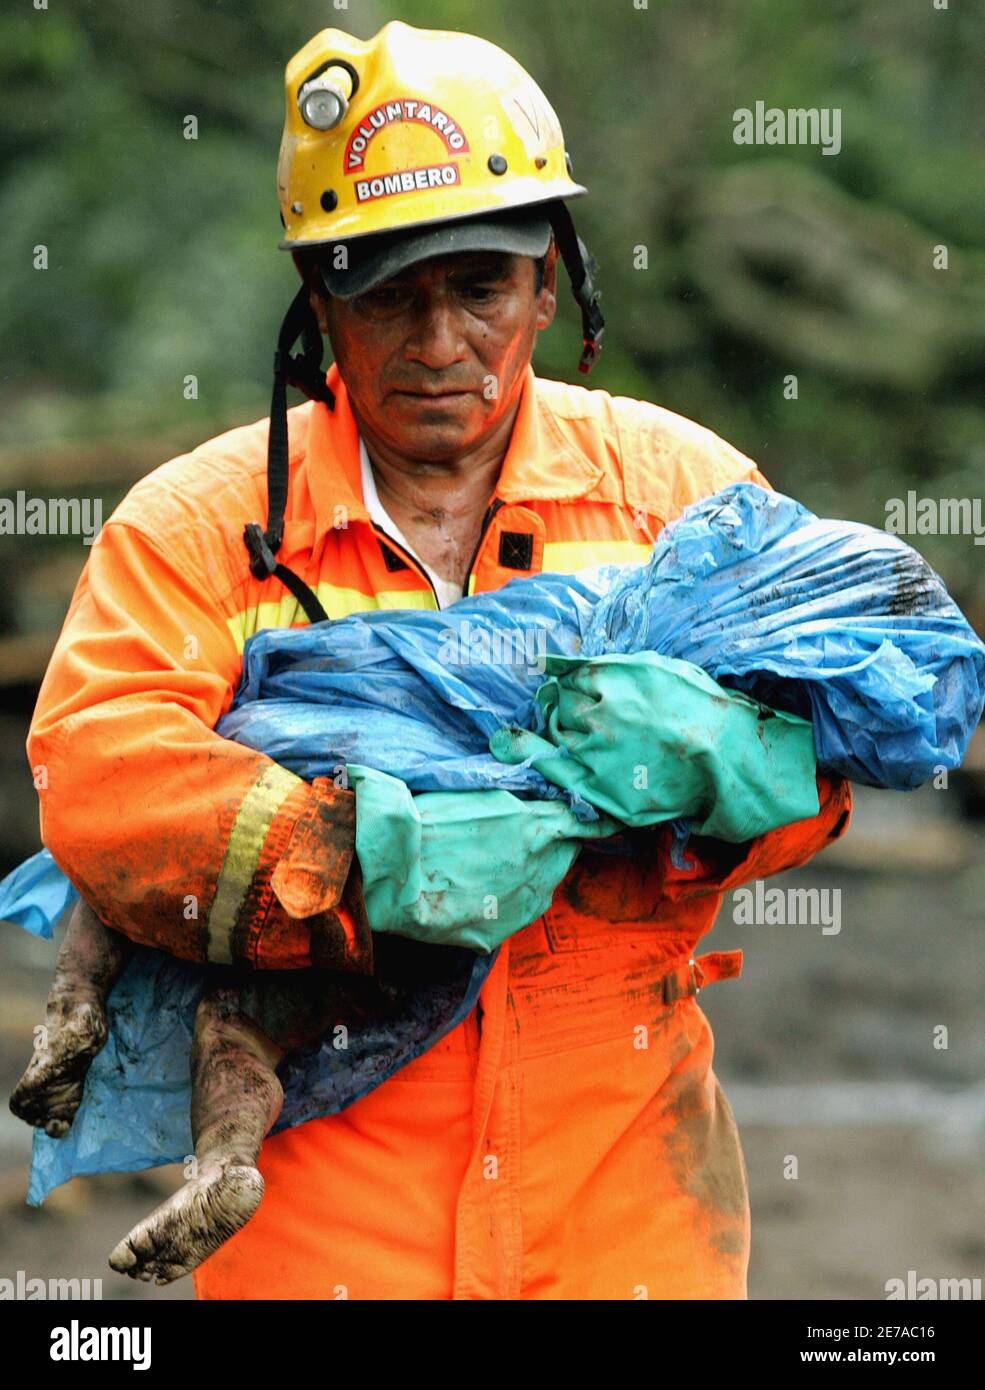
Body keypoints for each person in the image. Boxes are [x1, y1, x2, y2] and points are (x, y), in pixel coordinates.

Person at [24, 20, 851, 1299]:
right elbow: (98, 772)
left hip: (630, 1216)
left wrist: (730, 778)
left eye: (480, 286)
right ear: (319, 305)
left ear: (551, 281)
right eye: (387, 293)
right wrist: (351, 856)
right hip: (328, 1239)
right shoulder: (199, 526)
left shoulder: (682, 499)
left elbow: (839, 725)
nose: (439, 340)